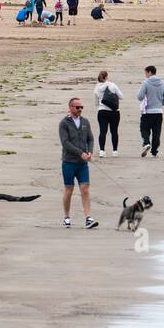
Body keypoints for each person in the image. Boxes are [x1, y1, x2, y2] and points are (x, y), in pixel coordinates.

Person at [59, 96, 98, 229]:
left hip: (83, 164)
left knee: (85, 189)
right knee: (69, 190)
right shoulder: (64, 123)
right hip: (68, 162)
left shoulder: (85, 122)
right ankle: (66, 217)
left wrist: (89, 152)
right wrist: (80, 153)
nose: (80, 109)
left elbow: (91, 139)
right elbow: (65, 143)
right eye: (77, 107)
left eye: (81, 107)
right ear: (70, 108)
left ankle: (88, 218)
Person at [137, 65, 164, 157]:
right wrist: (159, 104)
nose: (145, 75)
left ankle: (146, 143)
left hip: (147, 111)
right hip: (158, 112)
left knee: (144, 128)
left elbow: (140, 97)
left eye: (146, 73)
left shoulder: (146, 83)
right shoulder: (163, 83)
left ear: (150, 72)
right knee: (157, 132)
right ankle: (154, 151)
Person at [93, 70, 123, 157]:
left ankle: (102, 151)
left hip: (102, 111)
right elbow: (121, 96)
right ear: (107, 77)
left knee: (103, 131)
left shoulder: (97, 87)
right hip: (114, 112)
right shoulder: (113, 85)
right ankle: (115, 151)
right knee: (114, 131)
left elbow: (96, 103)